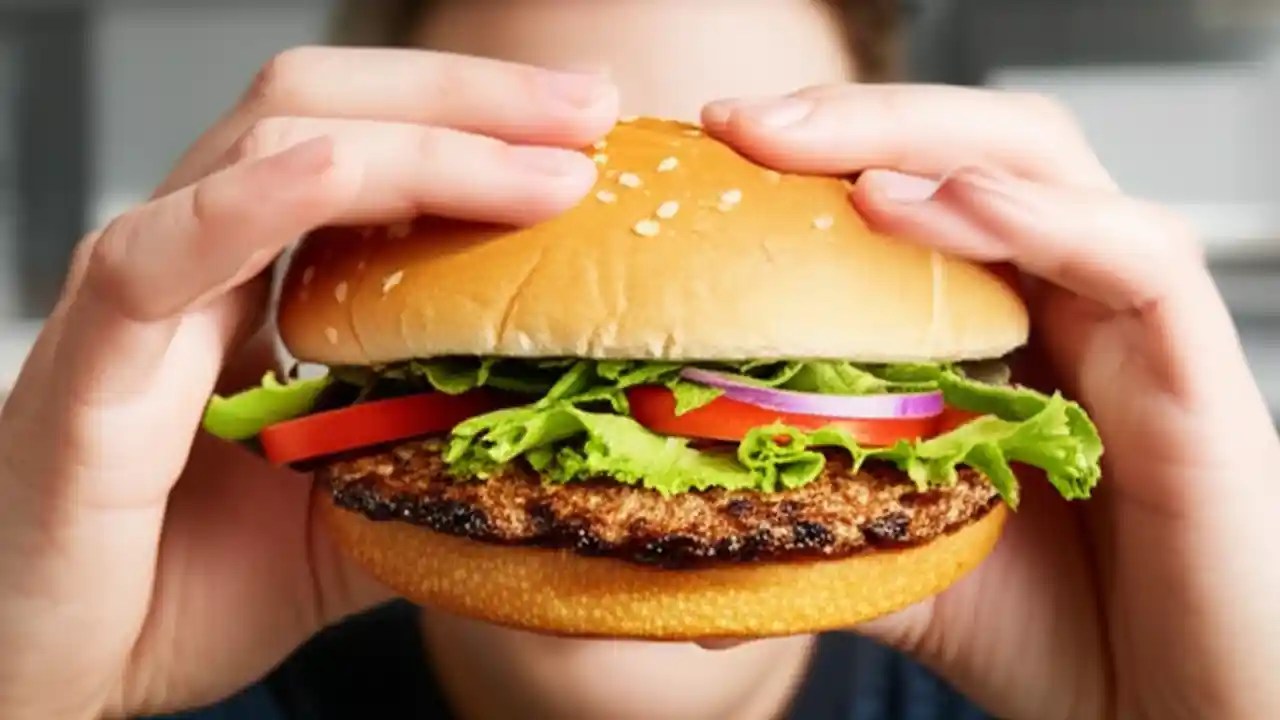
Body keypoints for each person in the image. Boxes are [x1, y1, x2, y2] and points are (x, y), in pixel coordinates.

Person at [1, 0, 1277, 718]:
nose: (639, 239)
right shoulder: (168, 680)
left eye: (770, 173)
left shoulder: (1086, 679)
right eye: (510, 186)